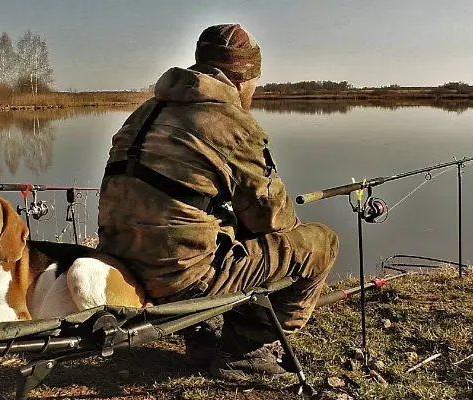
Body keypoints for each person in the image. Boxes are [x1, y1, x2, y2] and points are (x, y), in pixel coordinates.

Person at [97, 23, 338, 380]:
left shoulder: (145, 112)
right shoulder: (229, 122)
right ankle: (248, 353)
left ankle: (198, 335)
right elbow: (275, 220)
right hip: (177, 279)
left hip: (119, 265)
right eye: (255, 84)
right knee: (319, 244)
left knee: (210, 226)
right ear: (243, 79)